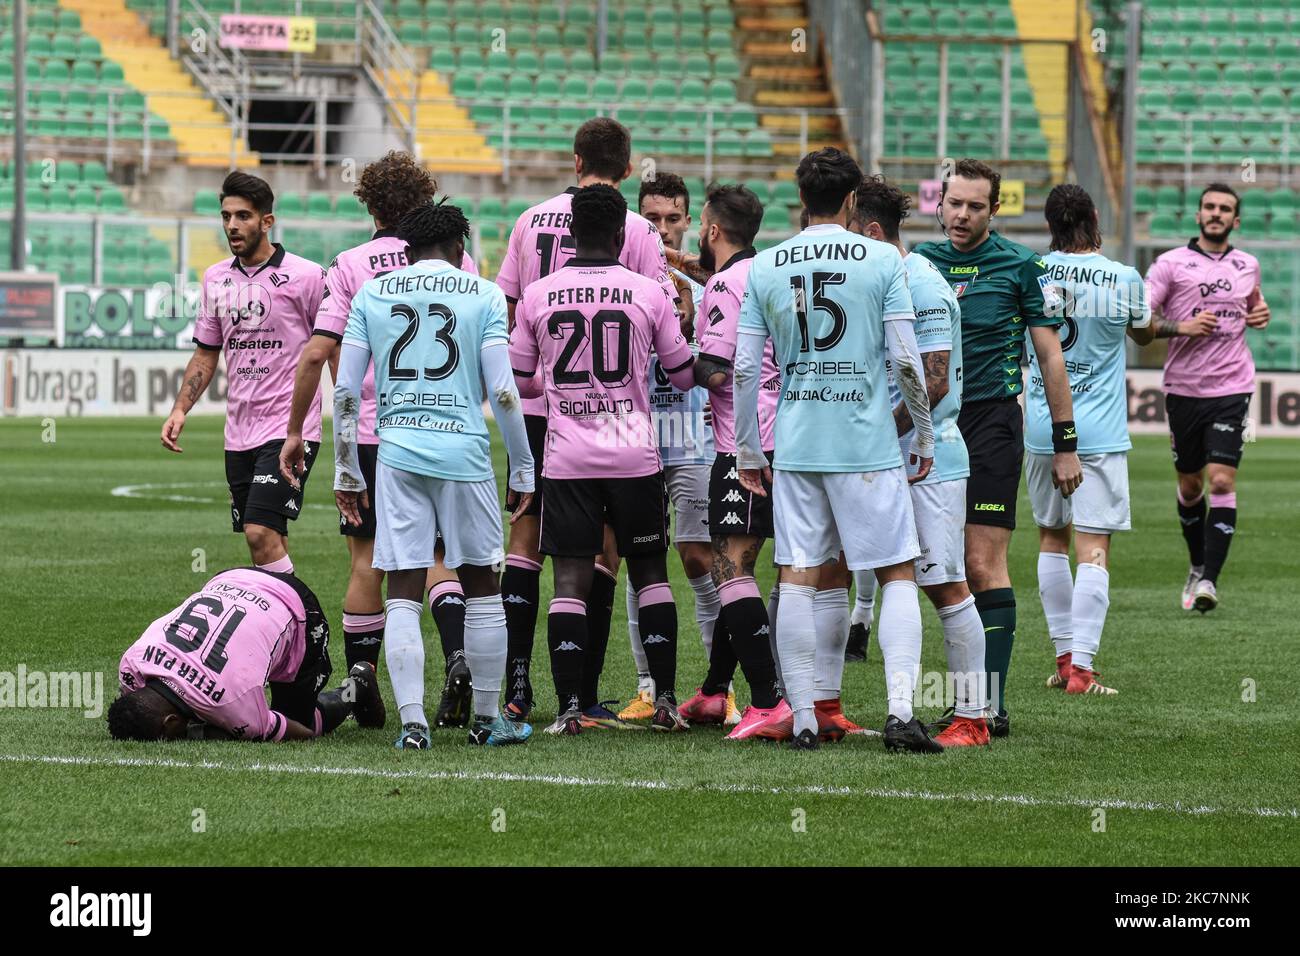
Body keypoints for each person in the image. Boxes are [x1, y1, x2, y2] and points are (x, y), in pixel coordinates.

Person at [734, 148, 939, 752]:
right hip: (867, 443)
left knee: (797, 576)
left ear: (802, 199)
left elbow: (747, 370)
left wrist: (749, 450)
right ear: (852, 200)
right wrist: (922, 433)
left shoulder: (767, 264)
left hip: (798, 443)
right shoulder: (881, 259)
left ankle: (802, 719)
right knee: (896, 571)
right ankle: (901, 715)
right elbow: (905, 359)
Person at [278, 151, 480, 729]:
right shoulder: (453, 261)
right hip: (442, 424)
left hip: (369, 432)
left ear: (368, 203)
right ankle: (459, 656)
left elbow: (317, 352)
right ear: (425, 199)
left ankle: (363, 679)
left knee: (369, 558)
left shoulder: (348, 264)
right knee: (438, 557)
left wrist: (296, 431)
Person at [495, 118, 678, 728]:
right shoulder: (639, 232)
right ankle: (590, 693)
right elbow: (660, 330)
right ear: (629, 171)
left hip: (546, 410)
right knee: (611, 553)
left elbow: (511, 310)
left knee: (527, 543)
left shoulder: (528, 221)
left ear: (575, 162)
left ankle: (520, 684)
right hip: (617, 421)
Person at [333, 201, 535, 749]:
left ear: (405, 250)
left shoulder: (373, 294)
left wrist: (347, 469)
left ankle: (414, 726)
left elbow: (348, 393)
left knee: (401, 585)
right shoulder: (485, 294)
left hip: (397, 452)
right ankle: (489, 722)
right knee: (480, 581)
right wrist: (523, 465)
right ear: (461, 249)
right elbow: (503, 392)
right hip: (464, 455)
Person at [914, 158, 1081, 737]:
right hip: (928, 422)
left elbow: (1051, 357)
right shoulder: (916, 264)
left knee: (982, 564)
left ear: (995, 208)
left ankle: (988, 703)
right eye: (954, 203)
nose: (962, 215)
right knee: (937, 568)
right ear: (938, 203)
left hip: (990, 424)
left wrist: (1065, 445)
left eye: (975, 206)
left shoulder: (1021, 266)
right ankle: (967, 699)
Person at [850, 174, 990, 746]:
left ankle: (974, 716)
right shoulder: (877, 278)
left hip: (926, 459)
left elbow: (930, 382)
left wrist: (876, 438)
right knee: (878, 576)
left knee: (945, 584)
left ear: (873, 231)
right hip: (886, 453)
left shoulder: (921, 282)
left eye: (850, 232)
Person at [161, 172, 325, 574]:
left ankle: (307, 622)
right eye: (226, 216)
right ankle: (287, 633)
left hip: (289, 429)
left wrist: (350, 422)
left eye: (243, 216)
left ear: (267, 222)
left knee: (258, 532)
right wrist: (180, 409)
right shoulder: (216, 278)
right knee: (268, 542)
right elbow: (205, 354)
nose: (232, 225)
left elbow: (330, 348)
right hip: (239, 431)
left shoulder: (307, 276)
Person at [1029, 184, 1154, 695]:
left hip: (1041, 425)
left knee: (1051, 538)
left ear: (1050, 224)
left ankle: (1063, 659)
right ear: (1095, 217)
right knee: (1094, 548)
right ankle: (1081, 668)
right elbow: (1143, 334)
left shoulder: (1032, 272)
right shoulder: (1124, 277)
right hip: (1096, 432)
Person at [617, 173, 733, 723]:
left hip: (691, 438)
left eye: (672, 219)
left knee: (697, 559)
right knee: (637, 562)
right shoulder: (620, 286)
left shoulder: (713, 288)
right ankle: (647, 686)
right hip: (633, 438)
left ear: (689, 222)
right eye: (652, 219)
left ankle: (719, 686)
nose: (662, 230)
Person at [686, 183, 791, 739]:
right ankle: (712, 692)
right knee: (757, 569)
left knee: (729, 569)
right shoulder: (773, 272)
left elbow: (720, 372)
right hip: (793, 440)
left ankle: (769, 701)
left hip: (745, 445)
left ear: (712, 230)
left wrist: (682, 354)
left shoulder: (726, 283)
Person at [1145, 183, 1269, 613]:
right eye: (1209, 207)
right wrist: (1183, 327)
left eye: (1225, 209)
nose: (1216, 214)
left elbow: (1255, 306)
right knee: (1191, 484)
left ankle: (1210, 582)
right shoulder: (1170, 264)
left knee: (1221, 480)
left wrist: (1261, 313)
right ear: (1198, 216)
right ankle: (1197, 565)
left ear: (1235, 220)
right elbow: (1141, 322)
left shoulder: (1247, 264)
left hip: (1232, 386)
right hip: (1183, 389)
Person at [109, 567, 384, 742]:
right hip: (232, 578)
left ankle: (357, 686)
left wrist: (204, 732)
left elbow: (301, 733)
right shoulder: (131, 665)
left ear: (170, 723)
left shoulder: (233, 705)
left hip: (296, 609)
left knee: (303, 719)